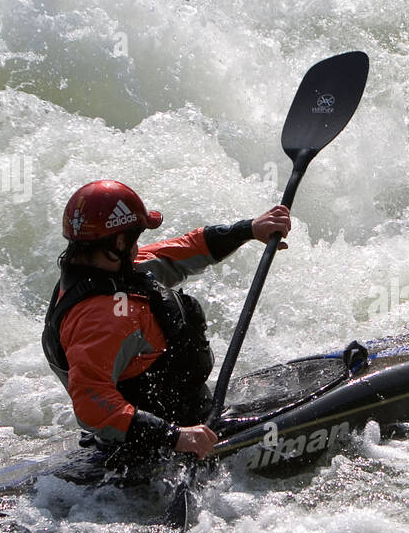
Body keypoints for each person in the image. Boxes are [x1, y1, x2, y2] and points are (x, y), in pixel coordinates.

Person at [42, 180, 291, 466]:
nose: (139, 246)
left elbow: (186, 250)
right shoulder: (102, 319)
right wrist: (176, 436)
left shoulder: (109, 269)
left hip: (171, 419)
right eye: (134, 237)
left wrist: (248, 229)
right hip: (155, 442)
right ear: (119, 243)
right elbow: (91, 402)